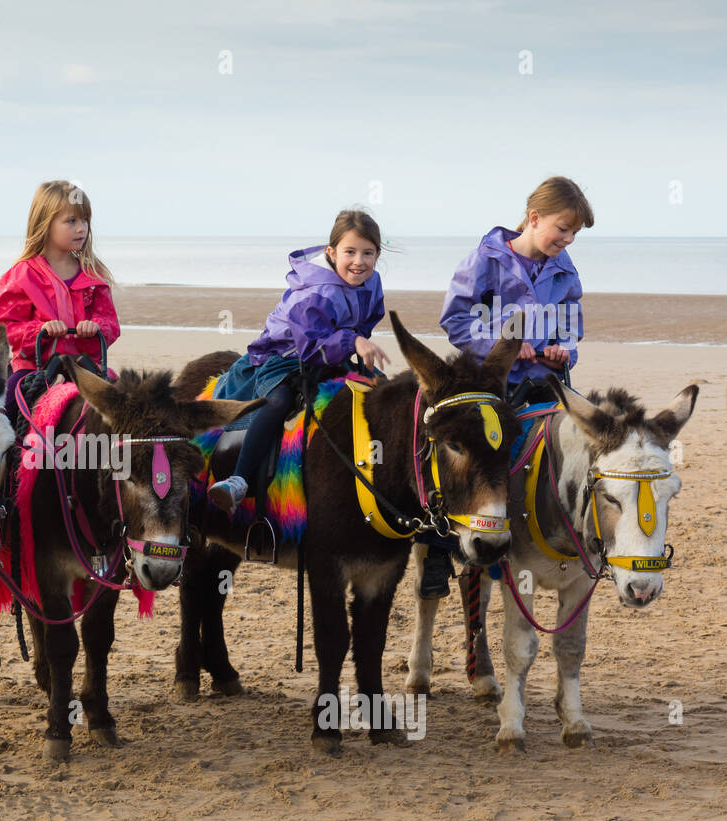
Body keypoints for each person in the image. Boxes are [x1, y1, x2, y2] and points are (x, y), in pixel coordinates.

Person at [419, 176, 595, 596]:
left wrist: (561, 350)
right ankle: (439, 549)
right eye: (562, 228)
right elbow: (457, 322)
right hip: (491, 383)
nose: (568, 240)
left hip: (546, 383)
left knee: (594, 436)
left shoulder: (563, 268)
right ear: (534, 218)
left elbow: (571, 324)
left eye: (574, 233)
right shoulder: (486, 260)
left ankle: (577, 534)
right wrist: (505, 349)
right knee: (466, 455)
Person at [207, 209, 389, 513]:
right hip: (287, 358)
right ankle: (238, 479)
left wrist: (355, 345)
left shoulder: (371, 284)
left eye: (367, 253)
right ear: (332, 253)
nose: (359, 261)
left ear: (377, 254)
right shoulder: (315, 290)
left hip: (332, 356)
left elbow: (364, 322)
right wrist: (353, 341)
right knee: (277, 402)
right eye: (350, 252)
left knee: (383, 392)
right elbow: (310, 344)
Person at [0, 180, 120, 412]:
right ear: (46, 224)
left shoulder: (93, 275)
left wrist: (95, 327)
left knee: (127, 403)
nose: (82, 228)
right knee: (3, 409)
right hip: (33, 369)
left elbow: (110, 323)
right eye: (71, 221)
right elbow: (3, 327)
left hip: (86, 369)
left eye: (85, 220)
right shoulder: (22, 275)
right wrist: (39, 331)